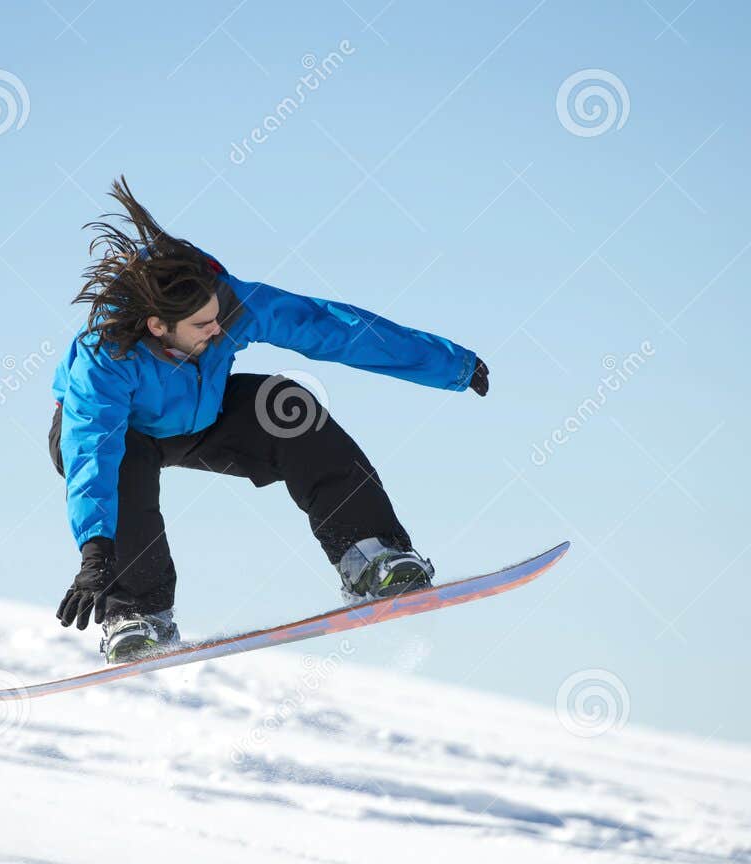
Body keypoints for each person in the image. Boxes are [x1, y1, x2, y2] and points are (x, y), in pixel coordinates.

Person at [49, 177, 489, 663]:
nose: (218, 330)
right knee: (122, 460)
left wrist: (450, 364)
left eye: (217, 317)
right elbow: (92, 449)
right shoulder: (106, 355)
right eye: (202, 326)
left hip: (201, 416)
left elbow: (332, 328)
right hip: (111, 434)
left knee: (287, 402)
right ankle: (136, 614)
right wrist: (95, 552)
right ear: (158, 326)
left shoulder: (231, 304)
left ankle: (369, 554)